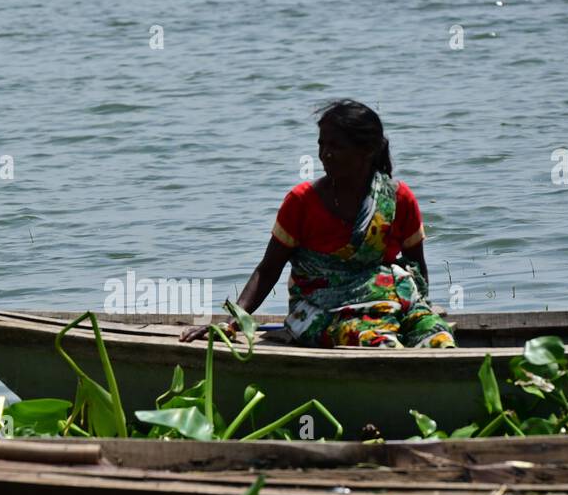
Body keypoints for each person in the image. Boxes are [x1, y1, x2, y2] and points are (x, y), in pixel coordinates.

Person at [181, 99, 454, 348]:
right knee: (376, 341)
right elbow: (268, 270)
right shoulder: (301, 201)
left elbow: (415, 267)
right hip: (319, 311)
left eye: (336, 146)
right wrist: (232, 321)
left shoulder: (397, 198)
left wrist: (421, 310)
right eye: (322, 145)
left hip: (391, 302)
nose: (325, 154)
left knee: (439, 337)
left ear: (367, 151)